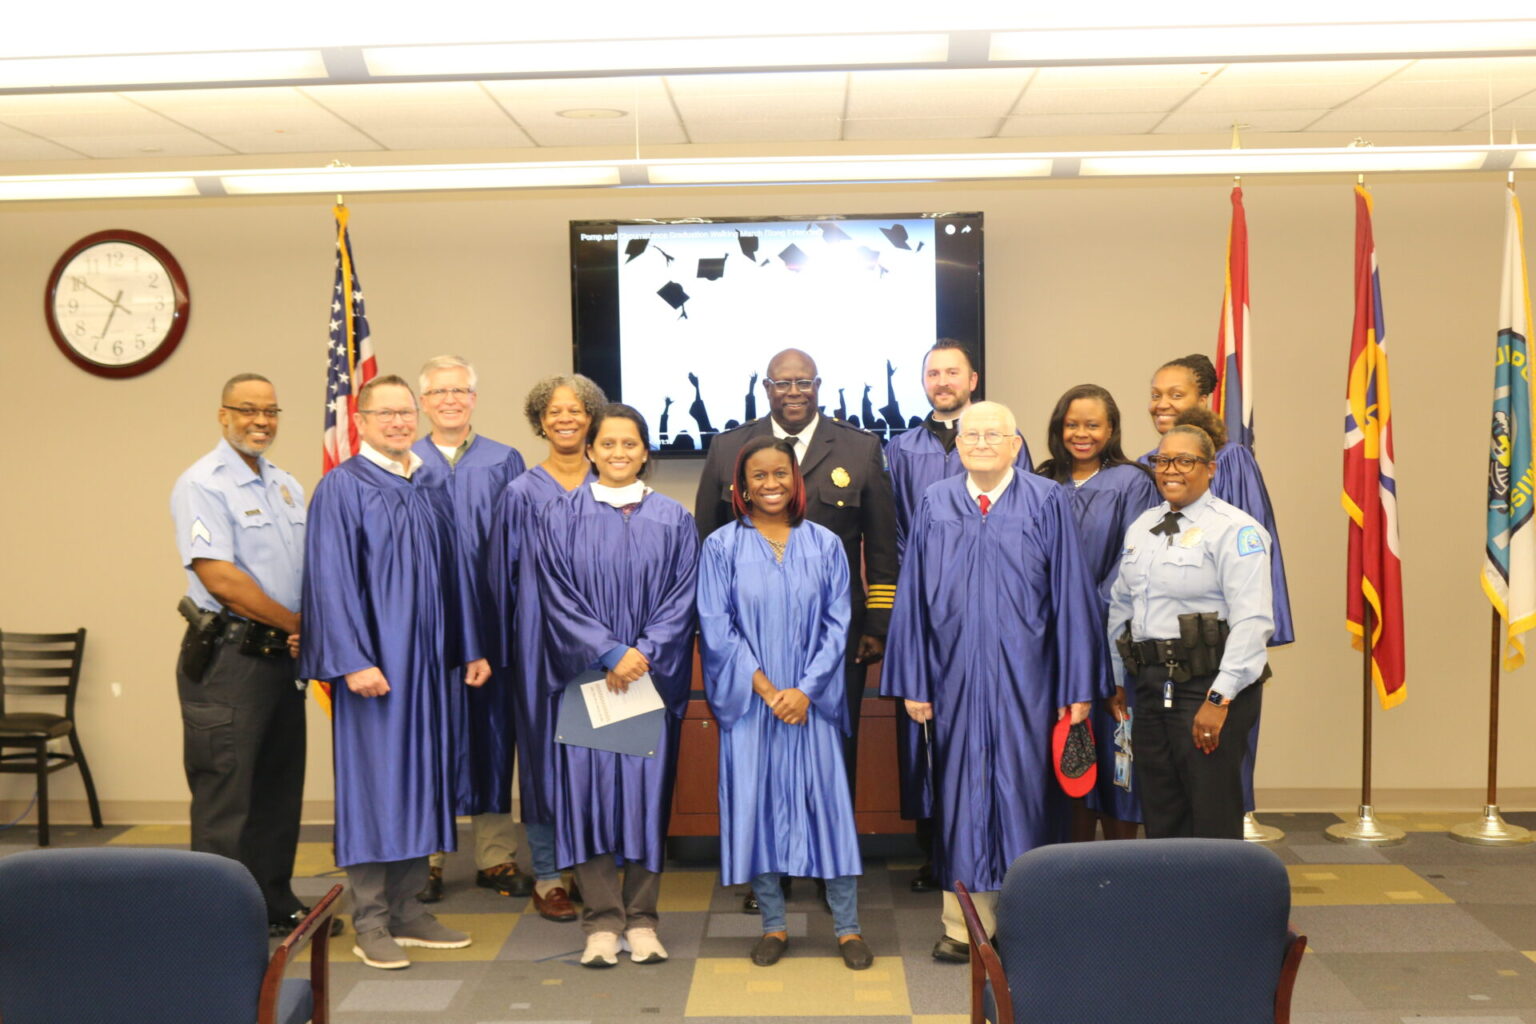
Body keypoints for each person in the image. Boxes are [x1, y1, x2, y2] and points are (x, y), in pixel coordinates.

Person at [882, 401, 1108, 965]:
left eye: (994, 434)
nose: (981, 442)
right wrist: (915, 679)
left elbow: (1072, 596)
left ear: (1015, 444)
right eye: (971, 434)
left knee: (1027, 794)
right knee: (960, 798)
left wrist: (1077, 685)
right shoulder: (936, 503)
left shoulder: (1046, 500)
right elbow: (911, 597)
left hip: (1030, 679)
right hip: (954, 678)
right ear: (957, 445)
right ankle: (962, 925)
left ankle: (1029, 921)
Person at [693, 348, 897, 913]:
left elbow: (881, 544)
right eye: (782, 382)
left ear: (818, 385)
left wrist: (876, 621)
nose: (793, 390)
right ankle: (773, 881)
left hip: (832, 645)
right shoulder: (729, 447)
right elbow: (708, 538)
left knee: (833, 757)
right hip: (753, 646)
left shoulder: (859, 447)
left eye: (803, 381)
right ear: (766, 387)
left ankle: (827, 869)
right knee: (759, 765)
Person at [299, 374, 490, 970]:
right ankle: (372, 919)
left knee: (423, 782)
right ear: (361, 418)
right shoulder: (342, 487)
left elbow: (457, 575)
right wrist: (352, 660)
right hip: (376, 670)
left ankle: (408, 910)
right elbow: (328, 579)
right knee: (377, 788)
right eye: (387, 414)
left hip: (429, 670)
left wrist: (470, 647)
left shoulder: (428, 485)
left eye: (407, 412)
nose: (401, 422)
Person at [697, 436, 874, 972]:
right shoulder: (722, 547)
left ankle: (848, 928)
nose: (770, 483)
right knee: (757, 808)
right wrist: (770, 690)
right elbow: (716, 625)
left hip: (811, 703)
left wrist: (805, 690)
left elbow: (839, 622)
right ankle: (773, 924)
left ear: (795, 480)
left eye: (780, 473)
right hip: (753, 705)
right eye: (758, 476)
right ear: (741, 485)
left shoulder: (824, 544)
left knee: (829, 809)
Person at [535, 404, 699, 968]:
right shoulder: (560, 517)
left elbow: (683, 597)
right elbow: (556, 597)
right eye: (608, 444)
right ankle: (602, 923)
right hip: (588, 681)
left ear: (645, 451)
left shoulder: (674, 519)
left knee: (644, 801)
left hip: (648, 682)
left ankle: (644, 919)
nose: (619, 453)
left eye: (630, 444)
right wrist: (609, 651)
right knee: (589, 802)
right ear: (590, 449)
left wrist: (642, 654)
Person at [170, 373, 318, 936]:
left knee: (278, 789)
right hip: (230, 659)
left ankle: (271, 901)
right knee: (226, 795)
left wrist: (308, 630)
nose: (261, 420)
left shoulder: (285, 485)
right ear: (222, 414)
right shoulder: (201, 484)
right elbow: (222, 578)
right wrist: (297, 624)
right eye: (248, 410)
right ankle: (213, 920)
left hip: (283, 658)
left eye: (271, 411)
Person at [884, 338, 1032, 892]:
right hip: (936, 622)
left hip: (1008, 635)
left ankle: (1010, 875)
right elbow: (899, 538)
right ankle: (940, 859)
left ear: (973, 380)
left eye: (953, 372)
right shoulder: (901, 450)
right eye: (933, 373)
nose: (943, 381)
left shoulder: (1006, 442)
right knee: (935, 751)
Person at [1107, 420, 1274, 839]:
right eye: (1162, 460)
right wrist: (1116, 680)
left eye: (1185, 461)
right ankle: (1172, 901)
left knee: (1211, 808)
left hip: (1207, 686)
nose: (1170, 470)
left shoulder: (1236, 531)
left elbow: (1252, 621)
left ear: (1211, 468)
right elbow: (1121, 606)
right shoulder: (1143, 526)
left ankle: (1220, 904)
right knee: (1161, 807)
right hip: (1150, 687)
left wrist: (1219, 699)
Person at [485, 373, 609, 923]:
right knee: (540, 761)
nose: (565, 418)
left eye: (576, 410)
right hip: (537, 647)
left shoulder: (611, 483)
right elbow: (500, 580)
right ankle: (550, 877)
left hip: (601, 647)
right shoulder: (520, 494)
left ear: (591, 418)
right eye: (554, 411)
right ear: (540, 420)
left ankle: (593, 868)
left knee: (598, 754)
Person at [409, 356, 533, 904]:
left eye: (459, 390)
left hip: (492, 622)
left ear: (474, 398)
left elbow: (520, 548)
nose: (450, 400)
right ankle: (426, 859)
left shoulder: (505, 461)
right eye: (438, 392)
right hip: (423, 626)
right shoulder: (403, 460)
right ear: (423, 402)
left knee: (490, 737)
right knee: (429, 738)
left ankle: (495, 857)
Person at [1145, 354, 1291, 817]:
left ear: (1203, 399)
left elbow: (1249, 549)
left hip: (1216, 651)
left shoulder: (1230, 460)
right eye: (1155, 394)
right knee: (1170, 794)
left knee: (1215, 787)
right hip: (1164, 658)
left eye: (1176, 393)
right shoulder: (1150, 464)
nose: (1162, 403)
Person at [1035, 384, 1160, 841]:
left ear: (1111, 430)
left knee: (1114, 751)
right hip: (1053, 641)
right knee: (1065, 748)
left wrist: (1083, 609)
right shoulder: (1042, 480)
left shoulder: (1133, 482)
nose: (1081, 433)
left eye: (1092, 425)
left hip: (1110, 639)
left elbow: (1132, 561)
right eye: (1072, 424)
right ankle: (1069, 864)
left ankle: (1121, 865)